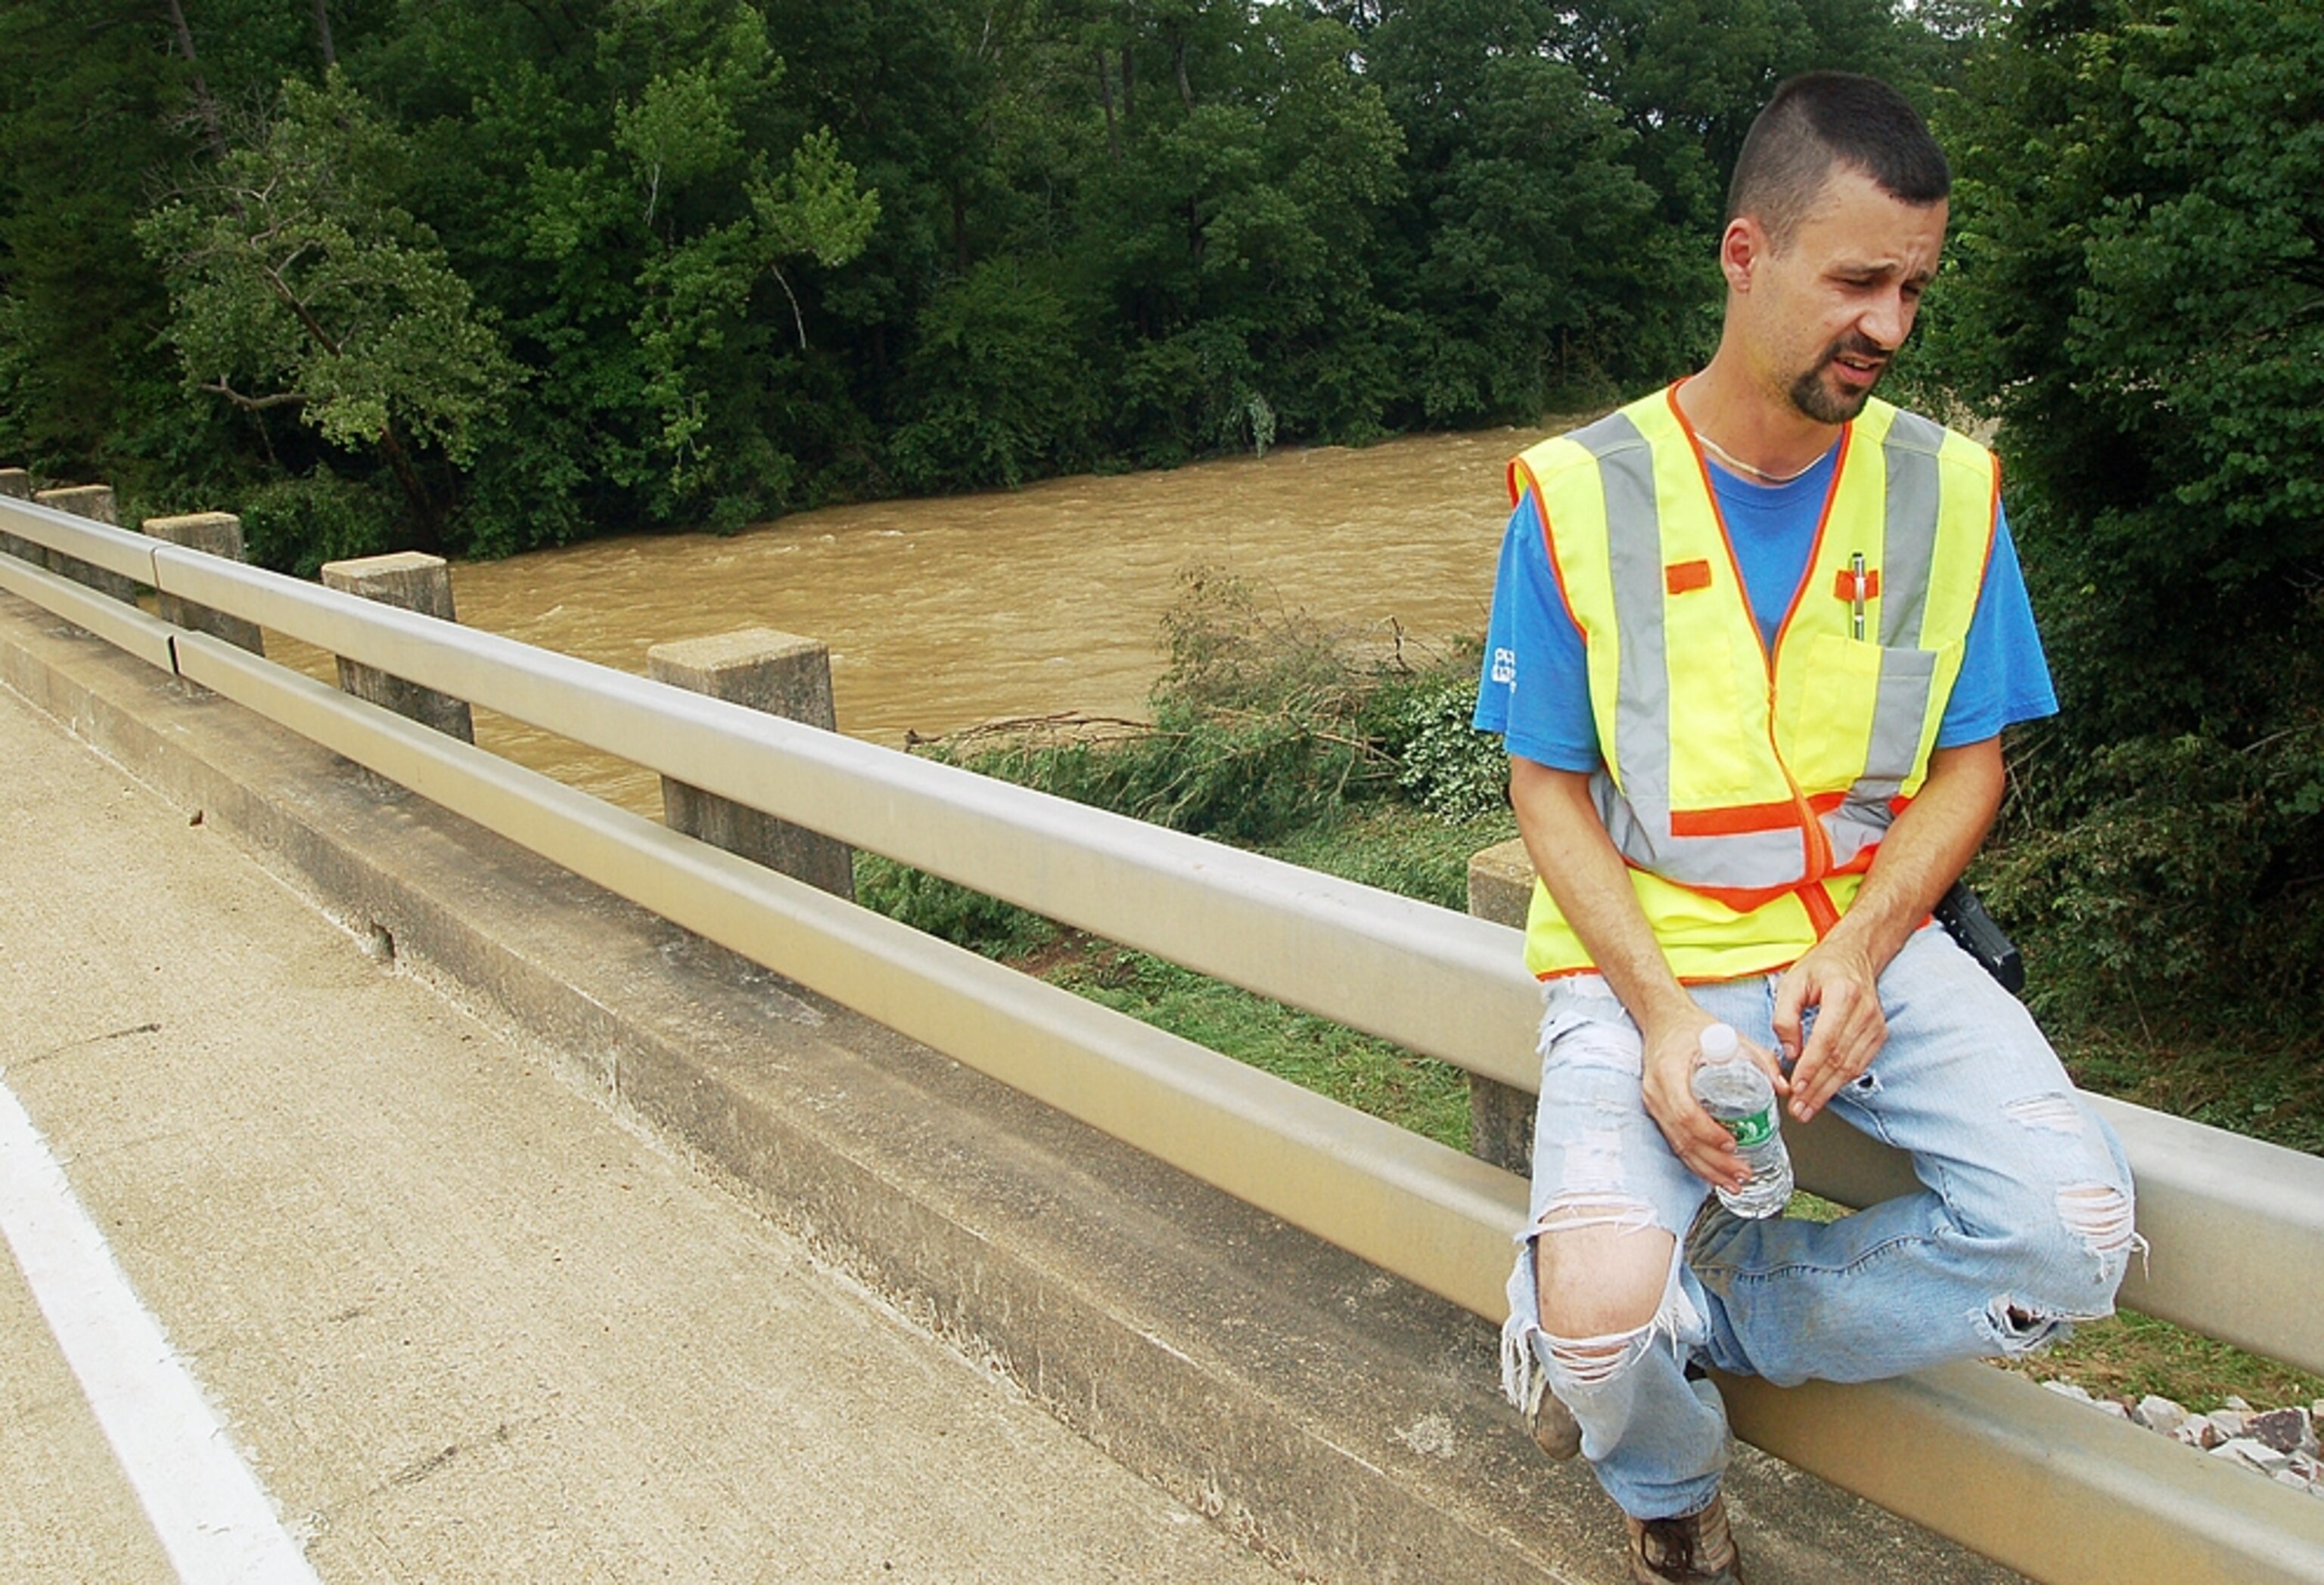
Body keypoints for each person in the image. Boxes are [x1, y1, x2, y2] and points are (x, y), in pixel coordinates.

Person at [1473, 73, 2139, 1585]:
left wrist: (1862, 939)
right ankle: (1666, 1475)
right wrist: (1652, 1016)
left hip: (1868, 948)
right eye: (1856, 281)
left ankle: (1697, 1310)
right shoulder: (1579, 496)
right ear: (1744, 252)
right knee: (1597, 1322)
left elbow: (1972, 767)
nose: (1892, 326)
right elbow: (1545, 790)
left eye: (1915, 287)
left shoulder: (1950, 490)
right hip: (1640, 955)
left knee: (2076, 1231)